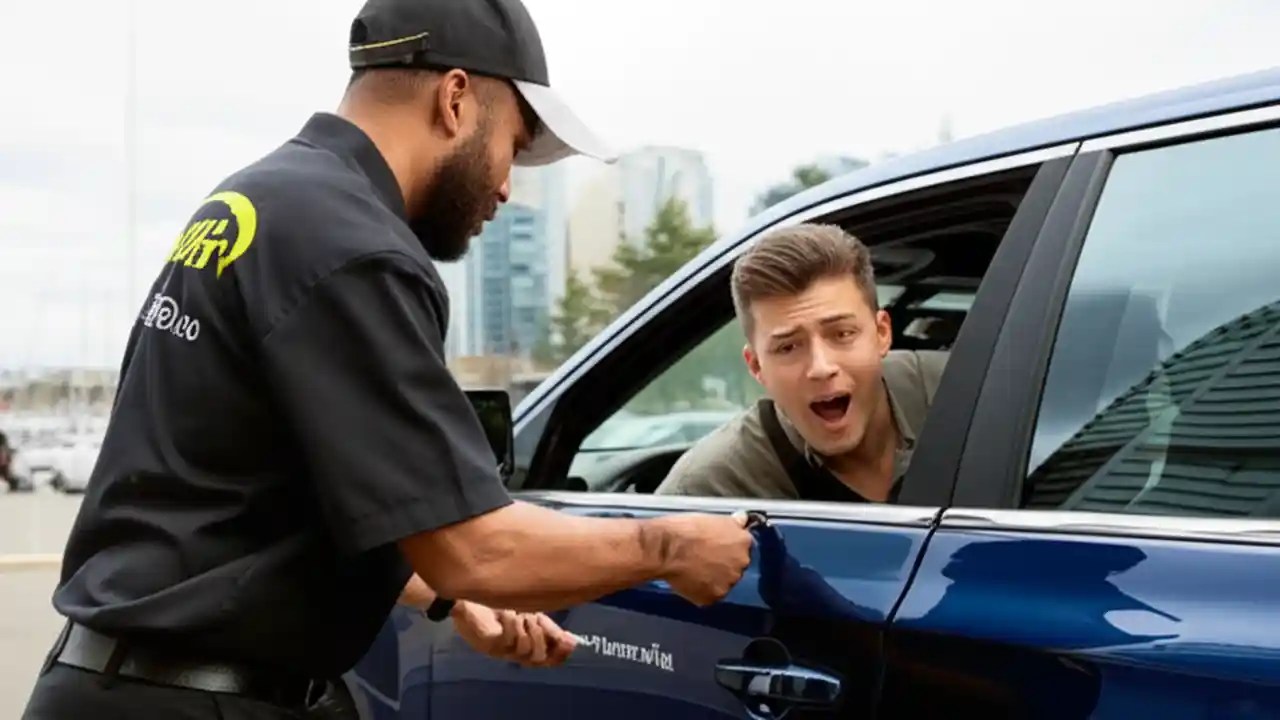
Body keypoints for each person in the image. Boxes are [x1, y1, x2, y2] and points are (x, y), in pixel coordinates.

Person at [20, 0, 753, 717]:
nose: (506, 184)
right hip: (195, 698)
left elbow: (261, 502)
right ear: (457, 99)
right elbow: (477, 548)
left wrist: (448, 597)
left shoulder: (254, 201)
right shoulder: (354, 246)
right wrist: (671, 544)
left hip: (115, 683)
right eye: (515, 145)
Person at [654, 223, 948, 502]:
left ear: (882, 333)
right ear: (756, 366)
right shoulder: (708, 489)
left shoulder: (961, 391)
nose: (820, 367)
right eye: (788, 347)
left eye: (842, 334)